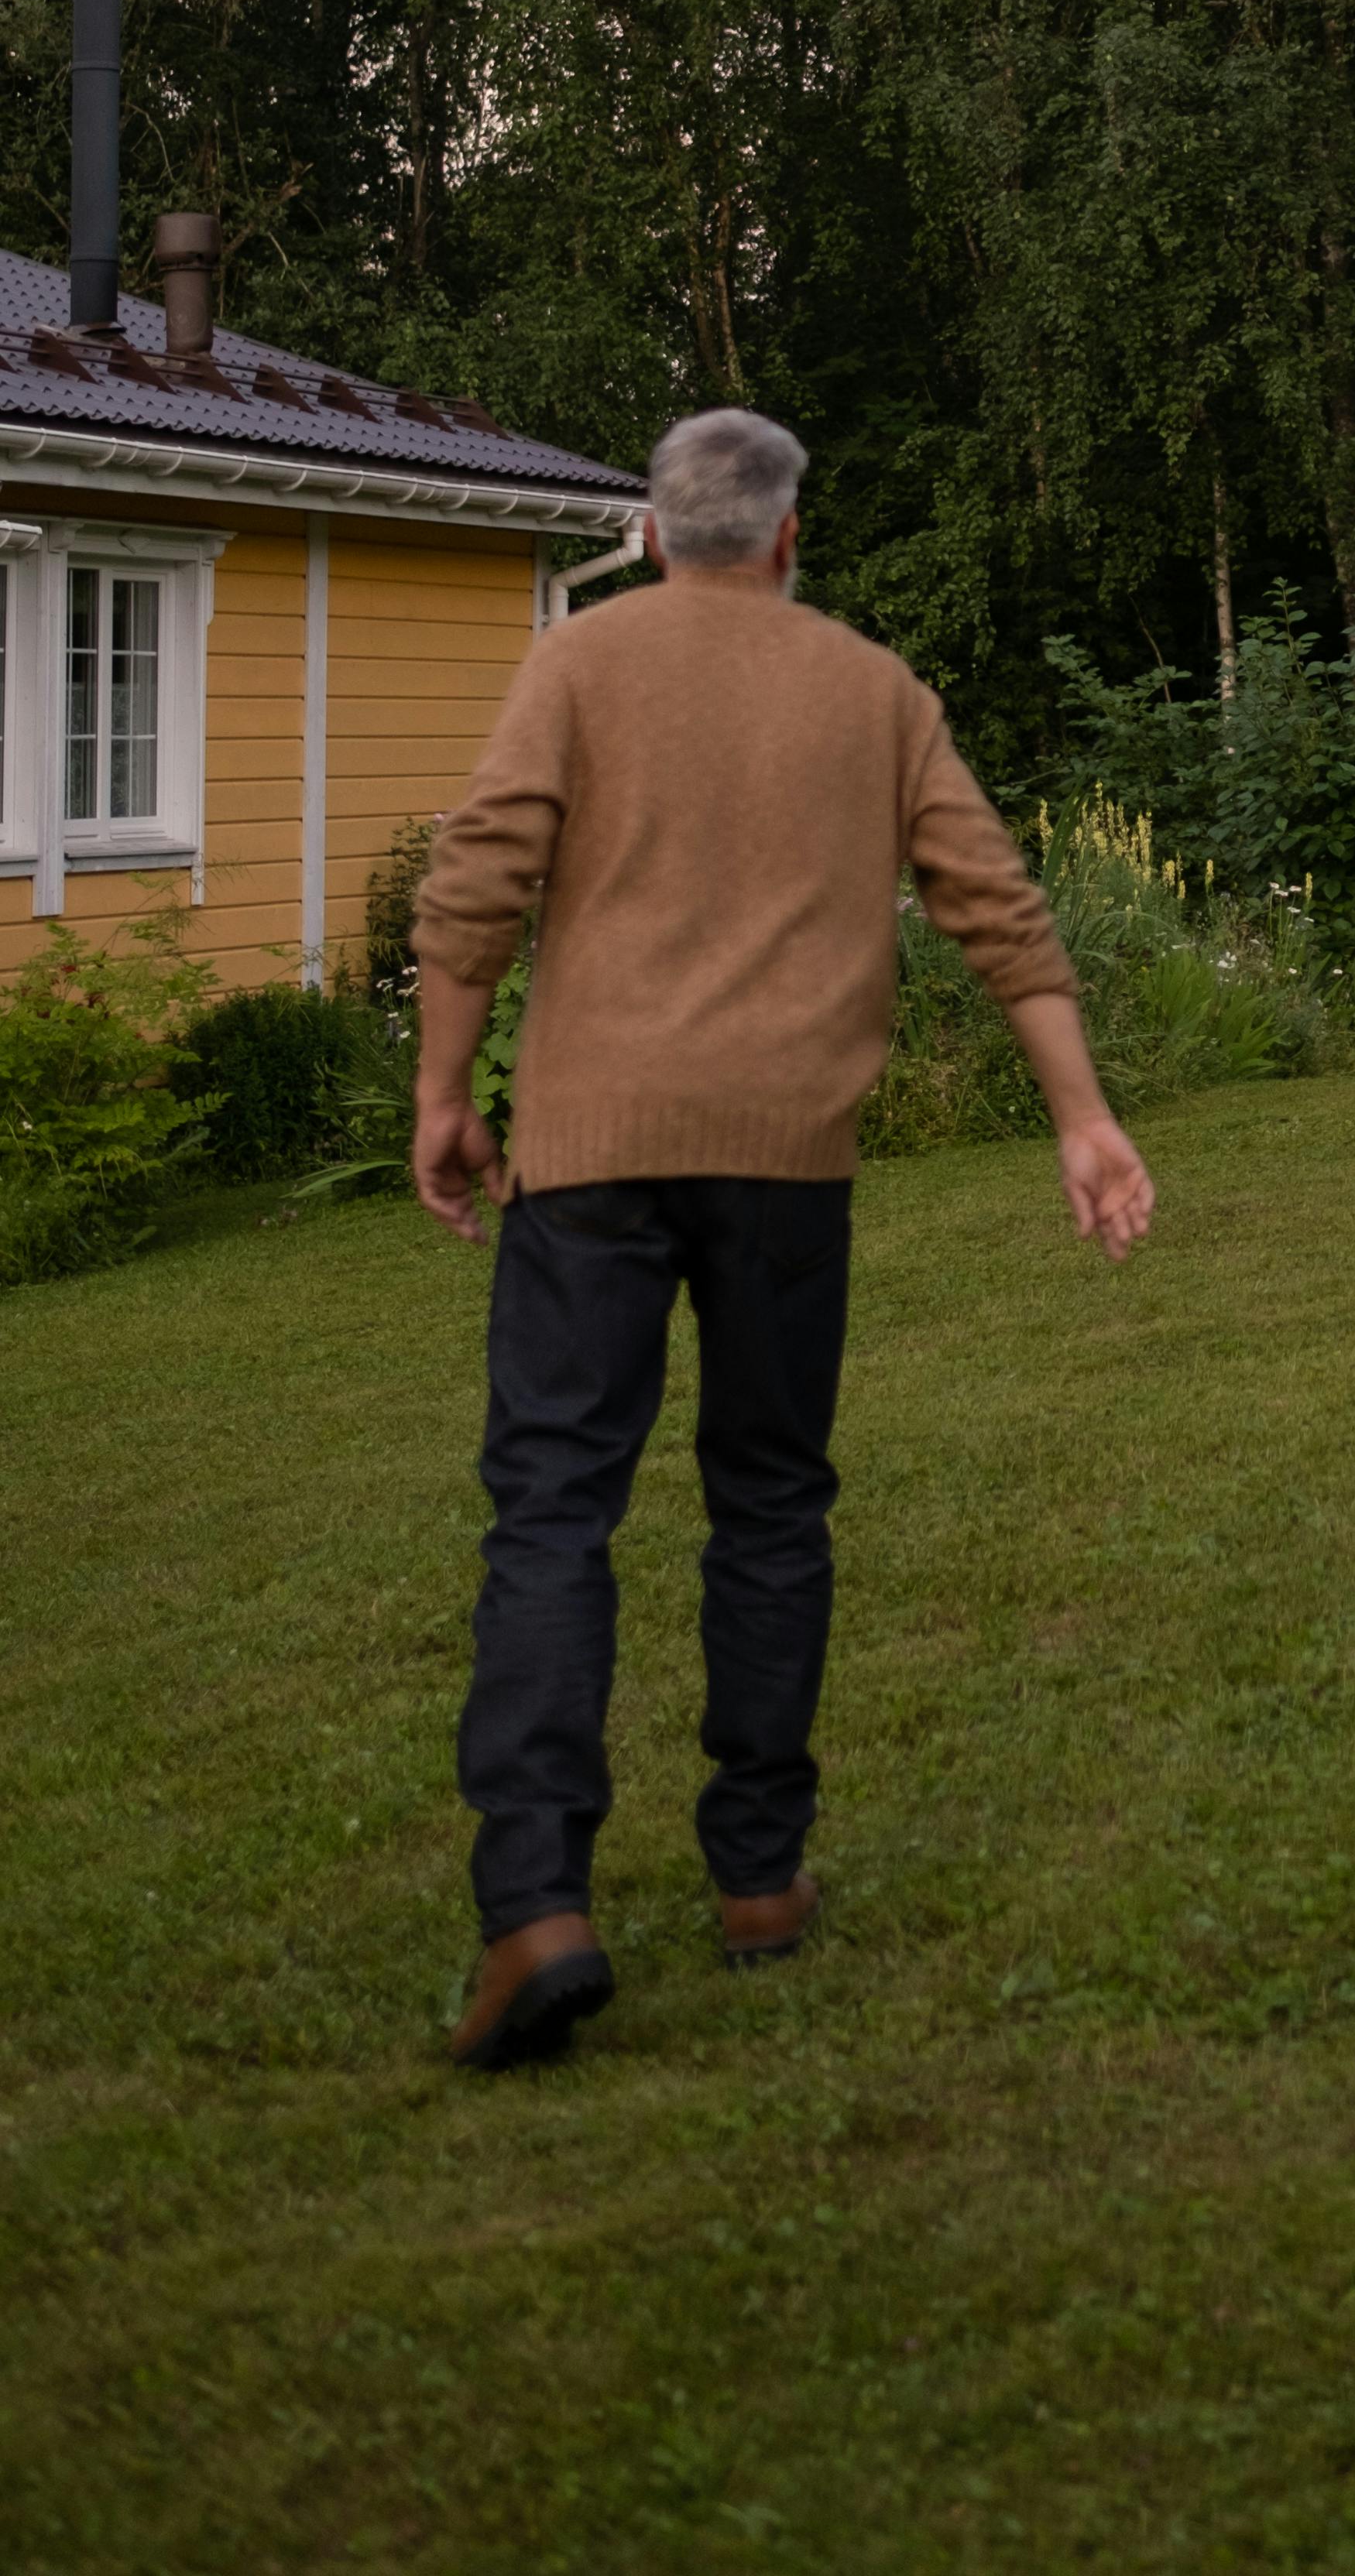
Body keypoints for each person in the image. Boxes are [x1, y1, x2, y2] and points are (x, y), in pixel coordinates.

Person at [410, 406, 1154, 2074]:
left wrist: (443, 1090)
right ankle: (755, 1877)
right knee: (767, 1501)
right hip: (784, 1170)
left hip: (590, 1158)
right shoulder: (871, 689)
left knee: (550, 1510)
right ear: (790, 538)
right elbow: (994, 904)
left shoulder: (580, 663)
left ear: (656, 536)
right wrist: (1080, 1114)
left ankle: (535, 1903)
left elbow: (476, 879)